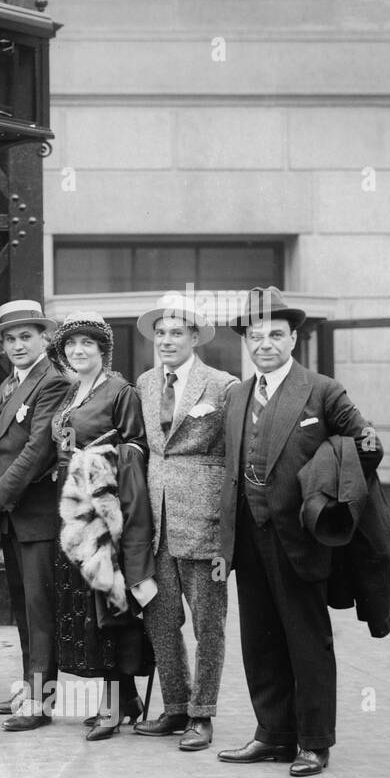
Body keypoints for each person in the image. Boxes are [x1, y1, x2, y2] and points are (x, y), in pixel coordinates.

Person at [217, 289, 378, 777]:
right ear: (246, 341)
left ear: (293, 339)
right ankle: (273, 734)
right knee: (260, 639)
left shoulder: (323, 390)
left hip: (301, 538)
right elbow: (229, 469)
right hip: (249, 534)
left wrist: (322, 489)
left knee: (306, 640)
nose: (265, 344)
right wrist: (226, 542)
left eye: (275, 335)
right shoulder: (238, 394)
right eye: (256, 336)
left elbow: (367, 446)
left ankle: (313, 741)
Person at [133, 296, 237, 752]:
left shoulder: (223, 384)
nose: (167, 340)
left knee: (208, 624)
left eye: (177, 332)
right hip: (157, 517)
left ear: (195, 338)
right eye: (161, 333)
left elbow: (233, 454)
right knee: (160, 616)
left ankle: (202, 713)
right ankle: (175, 707)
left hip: (204, 517)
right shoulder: (145, 382)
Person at [48, 312, 157, 741]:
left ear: (102, 350)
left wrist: (98, 463)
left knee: (109, 605)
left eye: (87, 345)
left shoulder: (120, 391)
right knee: (90, 608)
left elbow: (137, 447)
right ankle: (125, 698)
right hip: (72, 510)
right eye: (71, 345)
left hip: (103, 509)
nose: (78, 351)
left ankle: (113, 707)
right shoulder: (74, 392)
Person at [0, 301, 69, 731]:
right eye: (10, 339)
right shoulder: (9, 385)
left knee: (39, 611)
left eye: (26, 337)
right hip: (14, 517)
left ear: (45, 339)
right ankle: (29, 691)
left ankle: (41, 701)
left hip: (35, 514)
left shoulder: (50, 381)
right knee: (23, 609)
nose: (17, 345)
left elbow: (38, 448)